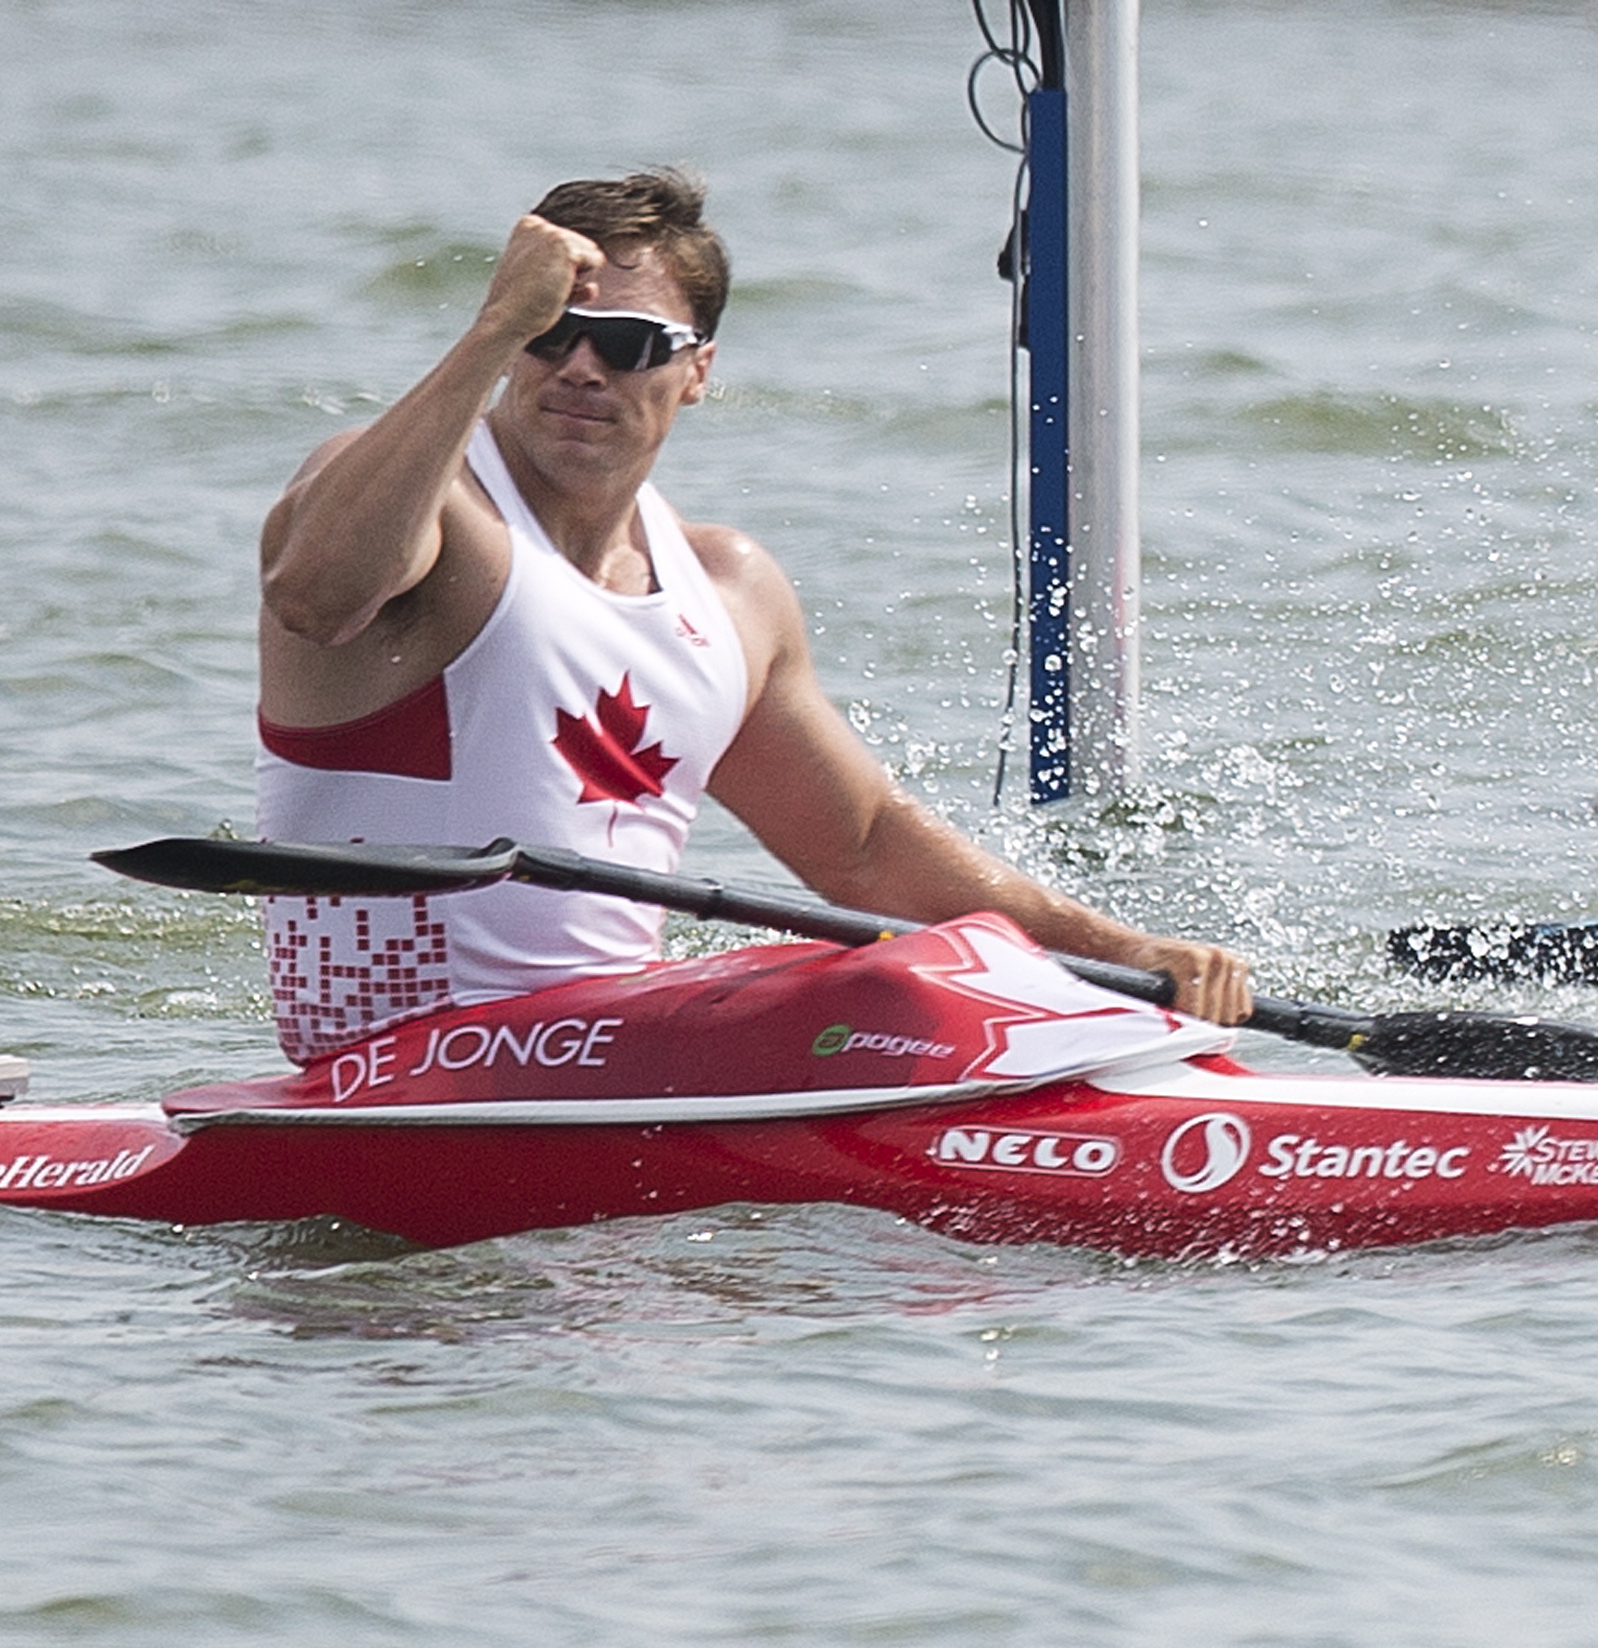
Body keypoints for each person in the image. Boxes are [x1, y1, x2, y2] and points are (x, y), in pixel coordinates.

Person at [253, 168, 1249, 1065]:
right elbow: (315, 595)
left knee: (963, 962)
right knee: (883, 992)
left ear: (697, 370)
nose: (581, 368)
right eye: (549, 330)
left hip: (602, 1041)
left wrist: (1120, 953)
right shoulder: (414, 503)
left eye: (630, 344)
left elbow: (861, 849)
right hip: (400, 1051)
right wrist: (485, 333)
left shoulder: (726, 588)